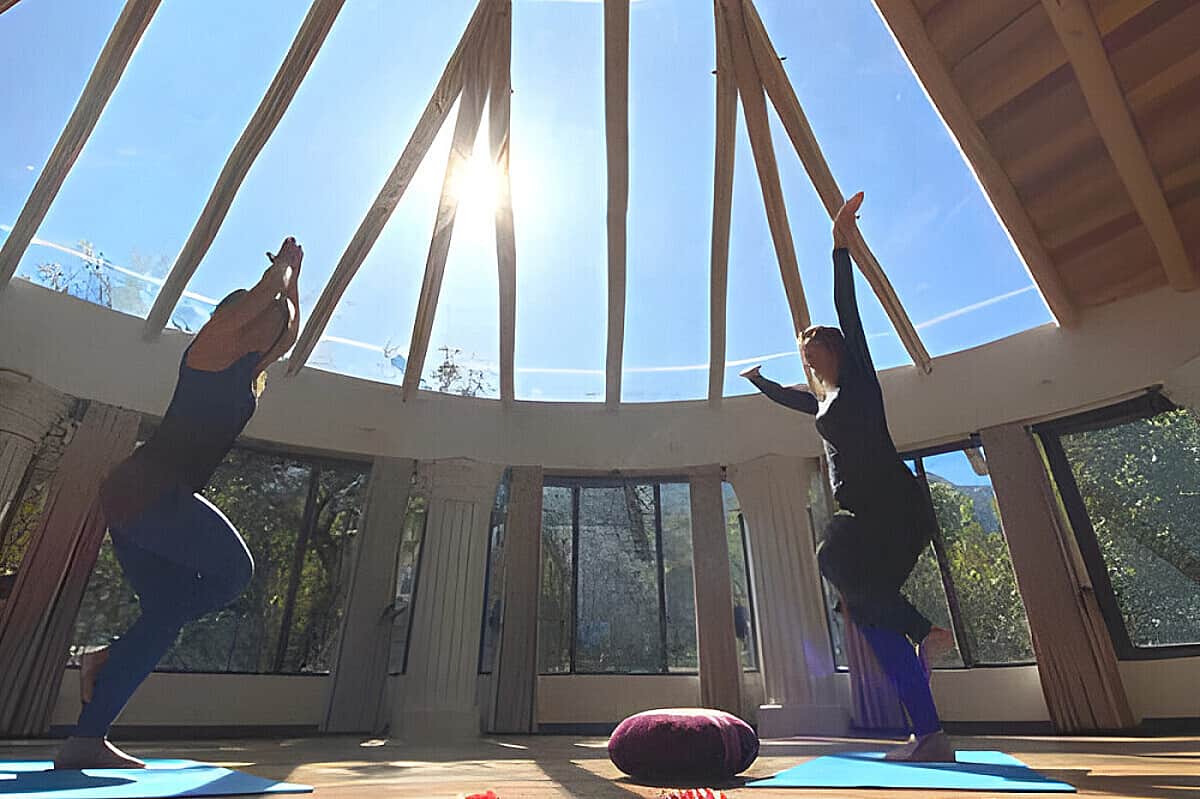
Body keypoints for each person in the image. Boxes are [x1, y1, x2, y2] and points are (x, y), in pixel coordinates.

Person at [55, 238, 304, 770]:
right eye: (267, 317)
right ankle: (109, 663)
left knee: (166, 615)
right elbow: (260, 301)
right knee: (234, 571)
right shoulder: (208, 351)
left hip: (147, 499)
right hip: (146, 490)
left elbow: (287, 334)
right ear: (236, 316)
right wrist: (279, 272)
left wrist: (295, 283)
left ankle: (86, 738)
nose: (275, 327)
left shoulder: (248, 376)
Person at [741, 193, 955, 762]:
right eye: (804, 355)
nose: (807, 359)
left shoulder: (858, 377)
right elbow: (796, 400)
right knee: (866, 612)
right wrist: (759, 382)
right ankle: (929, 733)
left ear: (833, 347)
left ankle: (922, 627)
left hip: (890, 508)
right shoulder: (824, 400)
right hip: (878, 520)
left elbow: (847, 305)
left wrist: (840, 245)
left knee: (831, 549)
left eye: (812, 348)